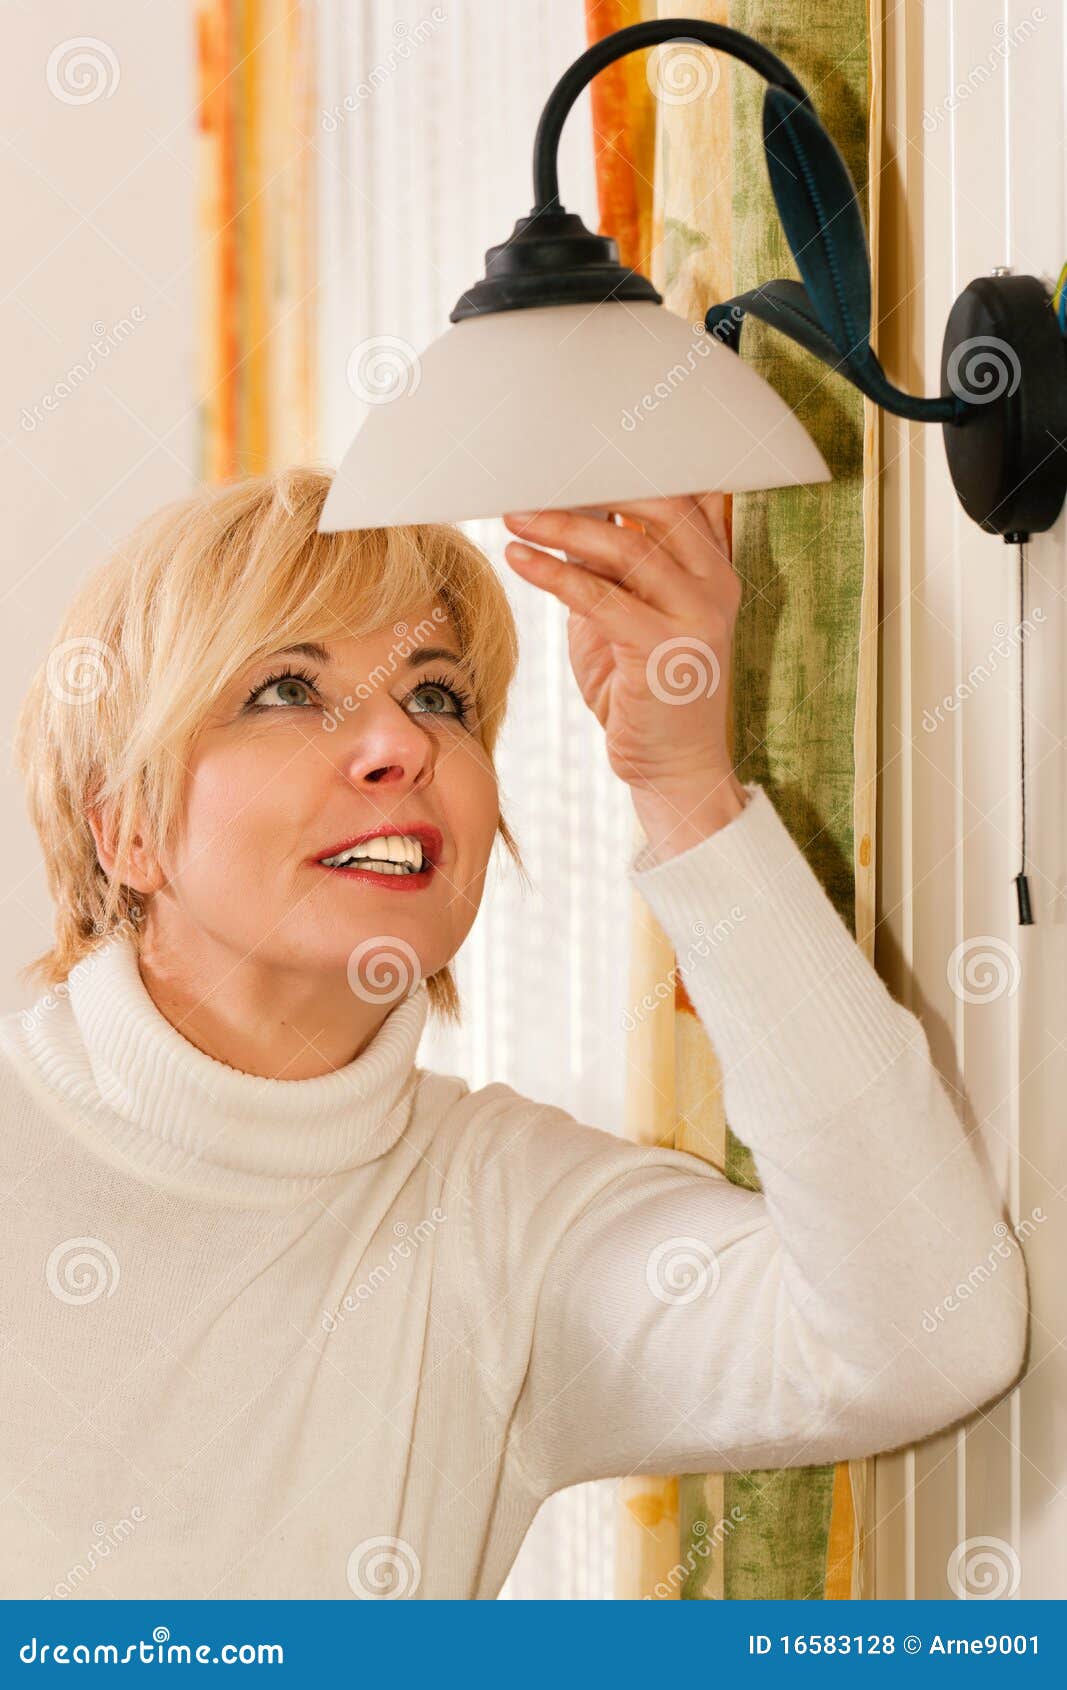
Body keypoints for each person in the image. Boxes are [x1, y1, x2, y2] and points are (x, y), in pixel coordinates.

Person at [0, 467, 1027, 1600]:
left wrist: (683, 786)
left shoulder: (504, 1218)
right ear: (127, 830)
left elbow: (924, 1335)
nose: (399, 743)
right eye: (289, 689)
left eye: (437, 696)